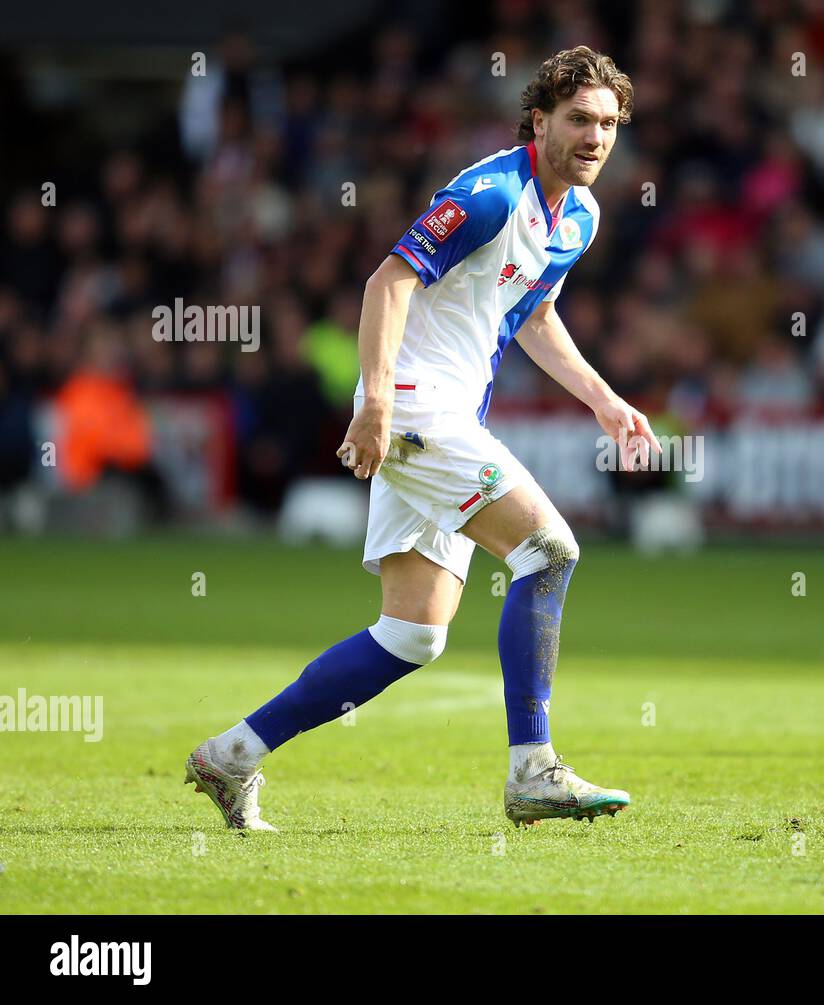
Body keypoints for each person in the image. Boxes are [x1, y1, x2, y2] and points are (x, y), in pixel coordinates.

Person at [185, 46, 658, 830]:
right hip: (413, 406)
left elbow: (532, 317)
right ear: (539, 121)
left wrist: (604, 399)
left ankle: (231, 755)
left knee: (412, 634)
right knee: (550, 550)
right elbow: (388, 281)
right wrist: (375, 401)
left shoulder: (579, 214)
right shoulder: (487, 192)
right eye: (579, 119)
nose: (595, 137)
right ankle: (533, 769)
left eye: (608, 123)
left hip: (447, 414)